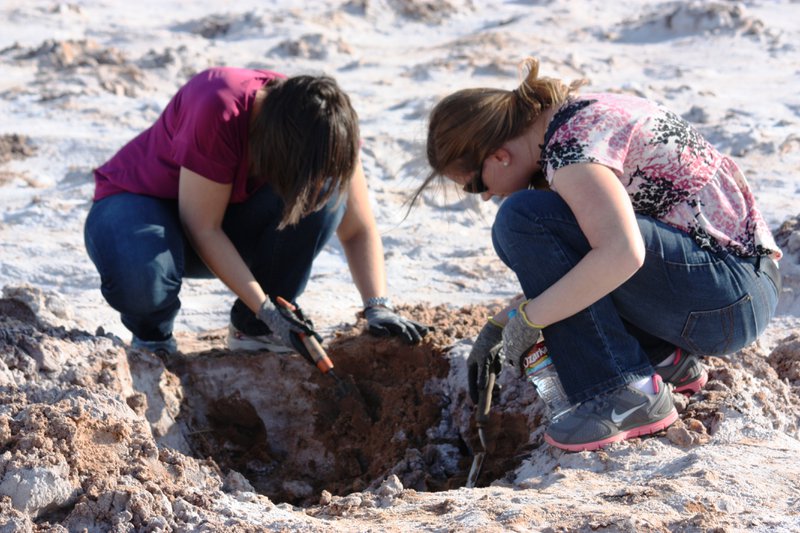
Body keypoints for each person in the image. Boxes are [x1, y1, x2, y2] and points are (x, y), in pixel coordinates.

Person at [414, 57, 782, 452]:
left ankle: (623, 393)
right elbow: (591, 254)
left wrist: (530, 318)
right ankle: (660, 355)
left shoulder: (570, 151)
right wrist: (503, 325)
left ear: (498, 156)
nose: (486, 196)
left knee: (521, 220)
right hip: (738, 287)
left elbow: (623, 254)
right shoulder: (579, 115)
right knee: (546, 221)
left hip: (724, 298)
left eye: (474, 186)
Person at [84, 67, 429, 363]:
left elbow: (357, 229)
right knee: (141, 277)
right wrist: (267, 309)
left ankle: (254, 330)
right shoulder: (219, 106)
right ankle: (154, 340)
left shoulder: (327, 130)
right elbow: (202, 227)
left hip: (221, 221)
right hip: (141, 208)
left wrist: (377, 306)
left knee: (326, 191)